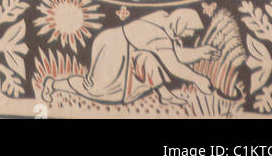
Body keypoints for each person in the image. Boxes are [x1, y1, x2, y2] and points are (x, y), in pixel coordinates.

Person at [42, 8, 217, 106]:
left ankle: (164, 95)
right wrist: (198, 79)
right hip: (113, 46)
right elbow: (173, 64)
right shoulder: (158, 34)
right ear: (180, 24)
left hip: (126, 47)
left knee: (148, 60)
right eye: (189, 30)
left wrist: (200, 53)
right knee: (97, 90)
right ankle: (53, 84)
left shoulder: (164, 21)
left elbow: (173, 55)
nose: (189, 35)